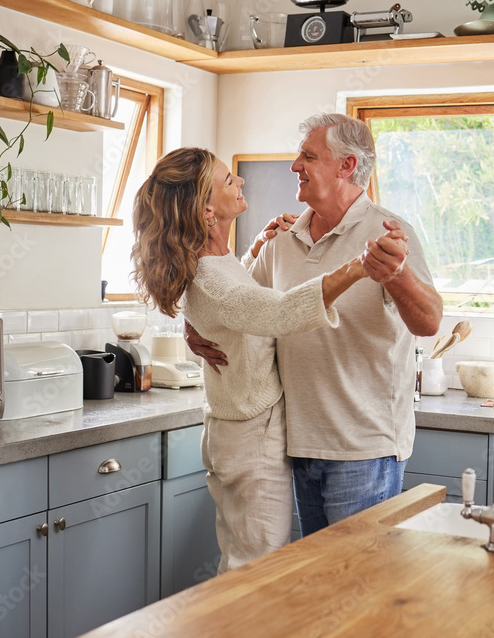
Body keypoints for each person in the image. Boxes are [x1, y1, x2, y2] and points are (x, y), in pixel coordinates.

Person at [131, 147, 405, 572]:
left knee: (245, 559)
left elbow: (233, 300)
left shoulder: (217, 261)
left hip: (237, 429)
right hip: (251, 436)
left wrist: (255, 249)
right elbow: (274, 312)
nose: (240, 182)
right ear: (206, 212)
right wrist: (357, 268)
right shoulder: (213, 279)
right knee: (255, 568)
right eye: (228, 181)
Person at [188, 114, 443, 537]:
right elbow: (244, 313)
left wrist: (397, 275)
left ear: (345, 166)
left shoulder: (387, 232)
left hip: (364, 450)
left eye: (308, 156)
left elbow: (430, 321)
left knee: (357, 587)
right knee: (319, 589)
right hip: (296, 444)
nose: (294, 167)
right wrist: (195, 329)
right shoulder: (282, 241)